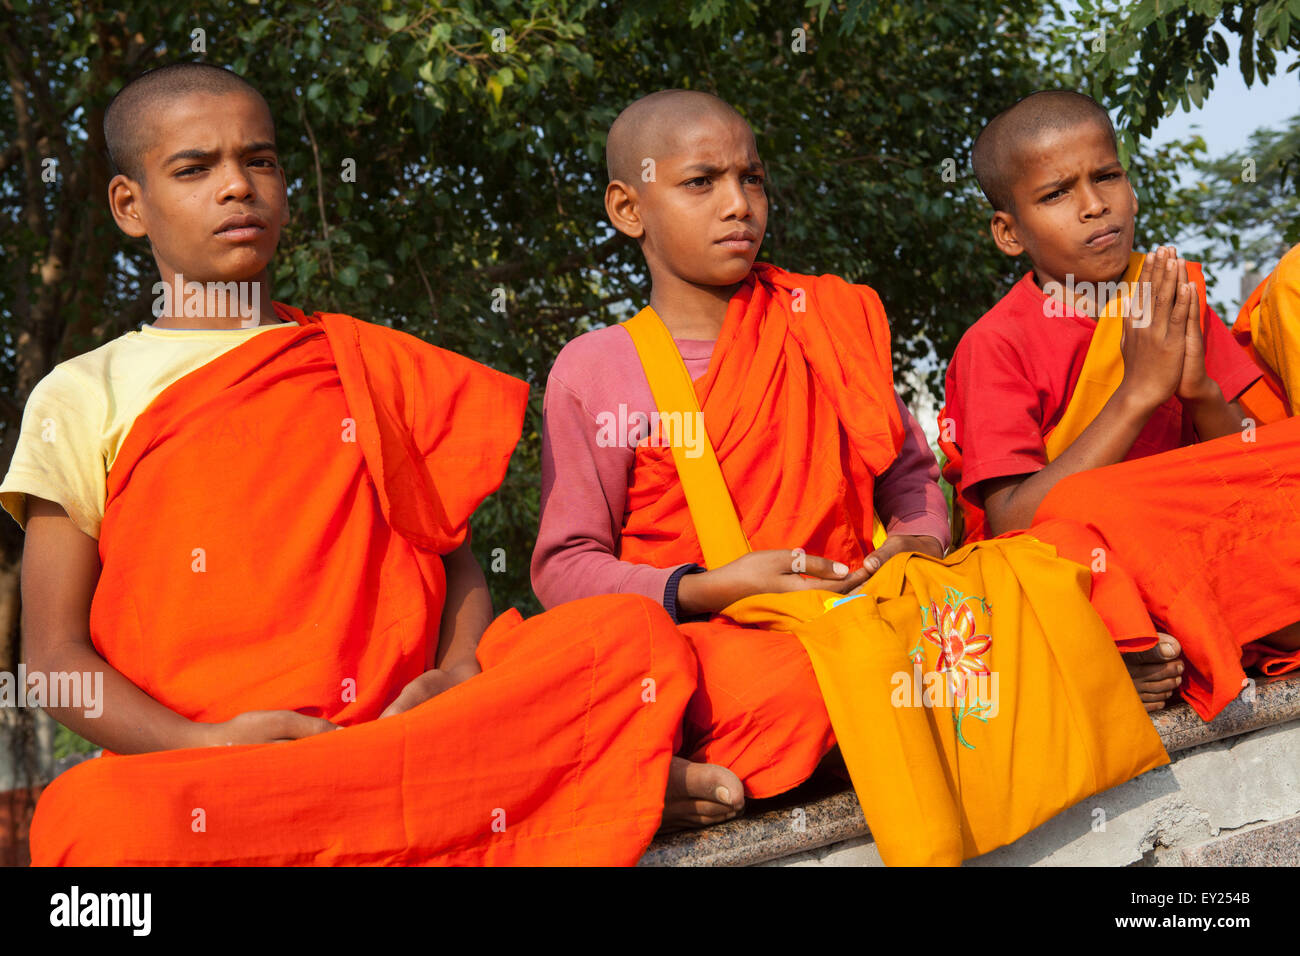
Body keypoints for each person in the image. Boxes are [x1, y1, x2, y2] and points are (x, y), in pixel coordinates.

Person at [3, 62, 705, 866]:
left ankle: (494, 783)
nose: (237, 187)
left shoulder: (366, 363)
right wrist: (203, 743)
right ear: (130, 205)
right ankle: (573, 780)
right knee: (91, 819)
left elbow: (454, 566)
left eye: (259, 161)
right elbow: (52, 662)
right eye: (195, 169)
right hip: (215, 775)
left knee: (624, 635)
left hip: (405, 735)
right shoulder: (82, 392)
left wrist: (458, 674)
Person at [530, 91, 1165, 854]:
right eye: (702, 183)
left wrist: (917, 542)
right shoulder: (597, 370)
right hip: (727, 631)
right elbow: (565, 569)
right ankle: (1039, 698)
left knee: (1054, 567)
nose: (738, 205)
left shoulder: (820, 315)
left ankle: (757, 752)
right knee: (792, 687)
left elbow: (910, 476)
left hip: (868, 602)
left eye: (753, 179)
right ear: (630, 208)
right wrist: (709, 585)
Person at [941, 90, 1300, 720]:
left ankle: (1232, 618)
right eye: (1056, 194)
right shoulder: (995, 344)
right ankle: (1140, 643)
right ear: (1008, 232)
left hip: (1175, 535)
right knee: (1086, 512)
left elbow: (1252, 456)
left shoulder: (1170, 294)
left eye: (1106, 176)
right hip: (1086, 563)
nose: (1093, 206)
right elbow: (1013, 522)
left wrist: (1201, 393)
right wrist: (1137, 396)